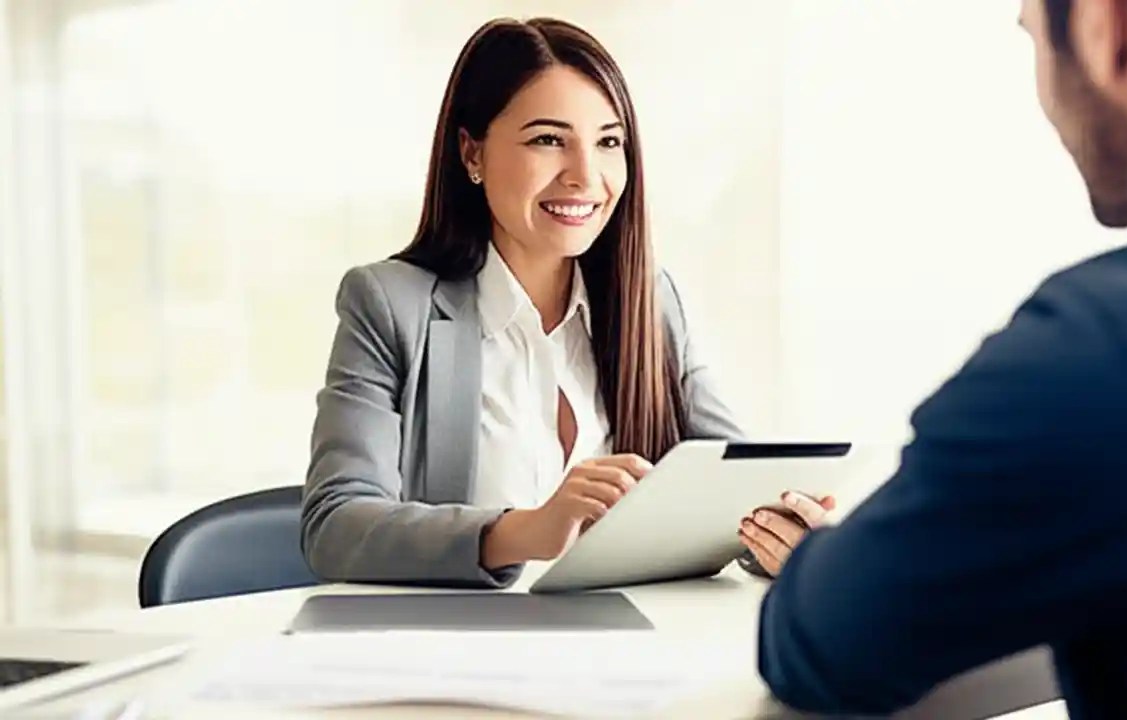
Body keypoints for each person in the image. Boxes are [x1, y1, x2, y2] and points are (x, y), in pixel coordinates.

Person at [757, 0, 1127, 717]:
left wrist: (823, 560)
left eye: (1033, 36)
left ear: (1102, 27)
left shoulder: (1118, 348)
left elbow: (825, 641)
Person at [301, 17, 832, 588]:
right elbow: (335, 526)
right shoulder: (390, 305)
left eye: (608, 142)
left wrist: (781, 532)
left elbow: (730, 486)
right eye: (548, 140)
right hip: (462, 636)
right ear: (472, 152)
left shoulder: (652, 303)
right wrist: (525, 530)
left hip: (631, 632)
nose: (585, 175)